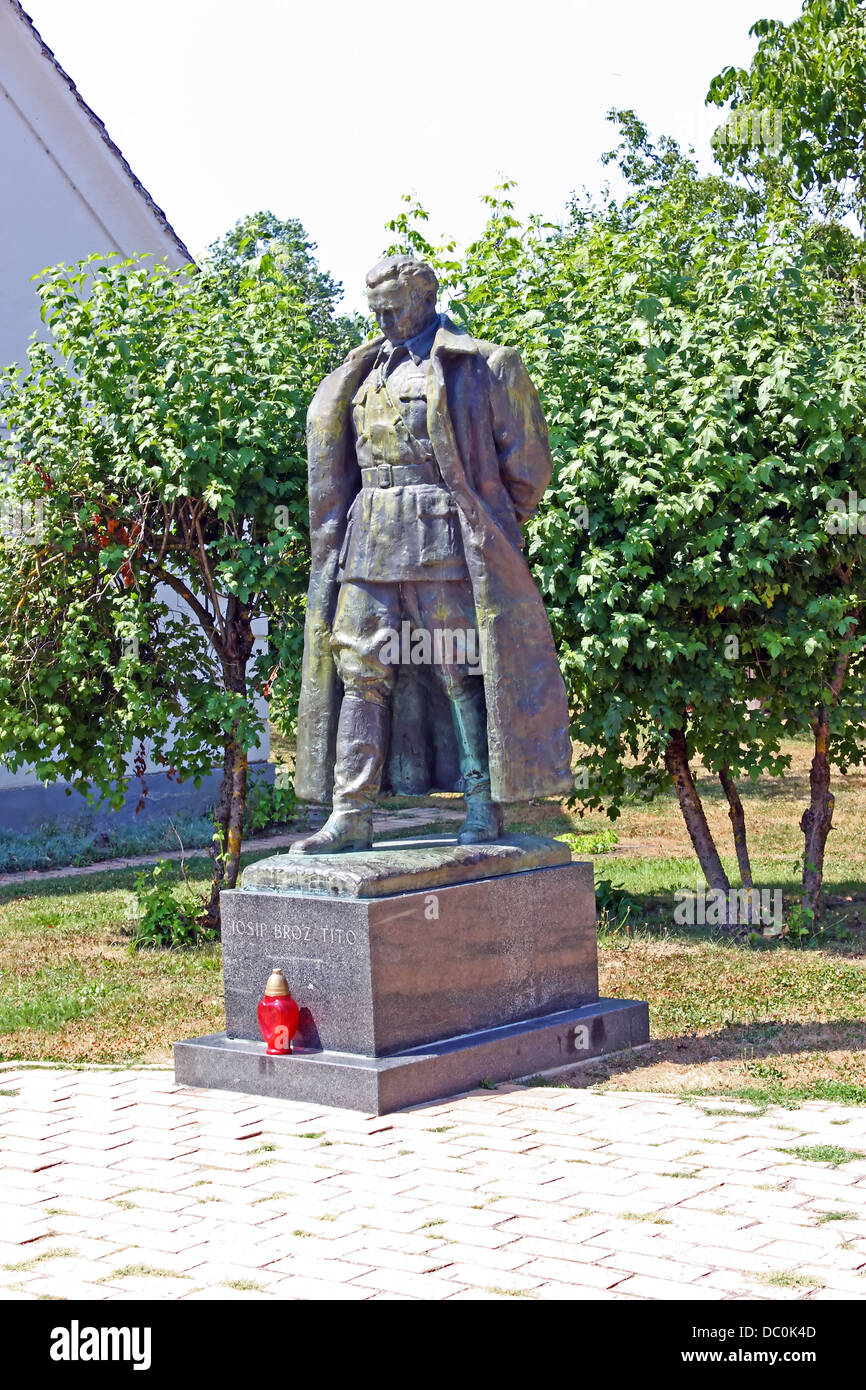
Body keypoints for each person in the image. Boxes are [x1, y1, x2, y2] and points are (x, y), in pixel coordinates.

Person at [293, 255, 573, 854]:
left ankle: (481, 804)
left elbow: (529, 469)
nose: (384, 318)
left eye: (395, 306)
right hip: (368, 542)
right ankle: (351, 814)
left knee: (457, 671)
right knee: (359, 672)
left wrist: (487, 522)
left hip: (441, 539)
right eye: (376, 309)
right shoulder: (360, 371)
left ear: (426, 296)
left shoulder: (482, 365)